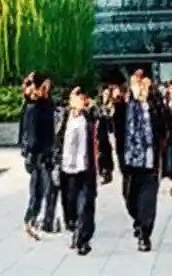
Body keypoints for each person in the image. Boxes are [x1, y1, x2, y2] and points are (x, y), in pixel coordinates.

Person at [55, 87, 110, 256]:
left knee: (85, 205)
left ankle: (83, 239)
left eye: (83, 97)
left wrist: (106, 167)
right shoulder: (63, 118)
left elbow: (103, 142)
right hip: (67, 169)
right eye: (77, 97)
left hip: (86, 169)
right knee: (70, 205)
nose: (81, 101)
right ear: (71, 100)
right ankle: (74, 229)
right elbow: (55, 141)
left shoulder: (92, 119)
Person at [114, 76, 165, 252]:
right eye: (137, 85)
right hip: (130, 163)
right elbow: (116, 131)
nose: (141, 89)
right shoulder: (123, 107)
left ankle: (145, 234)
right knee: (130, 199)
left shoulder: (155, 107)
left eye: (144, 85)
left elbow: (164, 129)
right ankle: (138, 219)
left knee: (148, 201)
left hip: (149, 162)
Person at [19, 72, 56, 240]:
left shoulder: (45, 104)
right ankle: (32, 220)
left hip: (45, 153)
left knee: (43, 189)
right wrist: (29, 152)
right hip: (38, 155)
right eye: (44, 86)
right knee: (41, 189)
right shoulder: (33, 106)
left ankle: (37, 220)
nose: (47, 89)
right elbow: (28, 132)